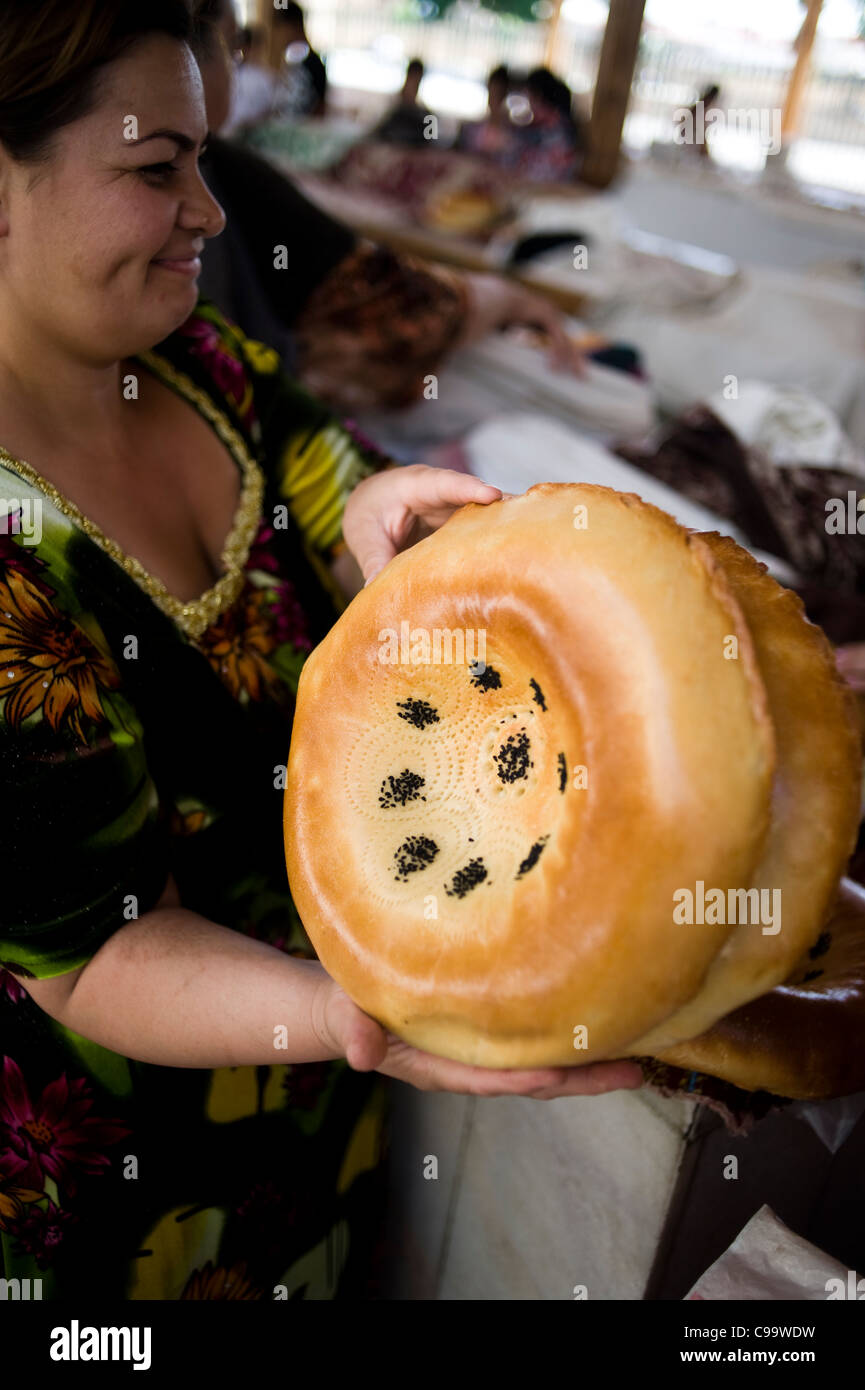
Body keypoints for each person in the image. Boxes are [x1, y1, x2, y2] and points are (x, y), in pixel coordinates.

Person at [0, 0, 642, 1303]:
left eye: (202, 159)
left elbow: (337, 502)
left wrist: (376, 516)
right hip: (135, 1164)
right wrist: (363, 1021)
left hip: (320, 1084)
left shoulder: (201, 368)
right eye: (154, 166)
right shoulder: (15, 569)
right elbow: (100, 955)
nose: (210, 211)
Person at [193, 1, 587, 412]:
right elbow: (396, 313)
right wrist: (511, 299)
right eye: (236, 48)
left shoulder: (223, 171)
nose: (201, 217)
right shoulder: (220, 175)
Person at [507, 67, 585, 183]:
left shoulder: (556, 130)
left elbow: (541, 175)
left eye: (529, 97)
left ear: (538, 96)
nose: (528, 105)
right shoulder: (544, 127)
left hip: (551, 195)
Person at [221, 23, 279, 137]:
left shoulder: (266, 77)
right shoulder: (231, 70)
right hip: (229, 132)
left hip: (252, 133)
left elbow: (270, 110)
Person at [272, 0, 327, 119]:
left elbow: (321, 108)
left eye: (282, 28)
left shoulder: (313, 63)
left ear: (294, 26)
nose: (280, 35)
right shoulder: (286, 62)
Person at [456, 64, 522, 161]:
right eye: (491, 93)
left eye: (497, 95)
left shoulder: (513, 136)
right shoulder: (473, 130)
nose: (492, 100)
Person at [373, 58, 430, 149]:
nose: (412, 85)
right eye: (412, 79)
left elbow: (430, 143)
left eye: (416, 81)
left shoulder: (425, 115)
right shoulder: (390, 107)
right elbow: (376, 134)